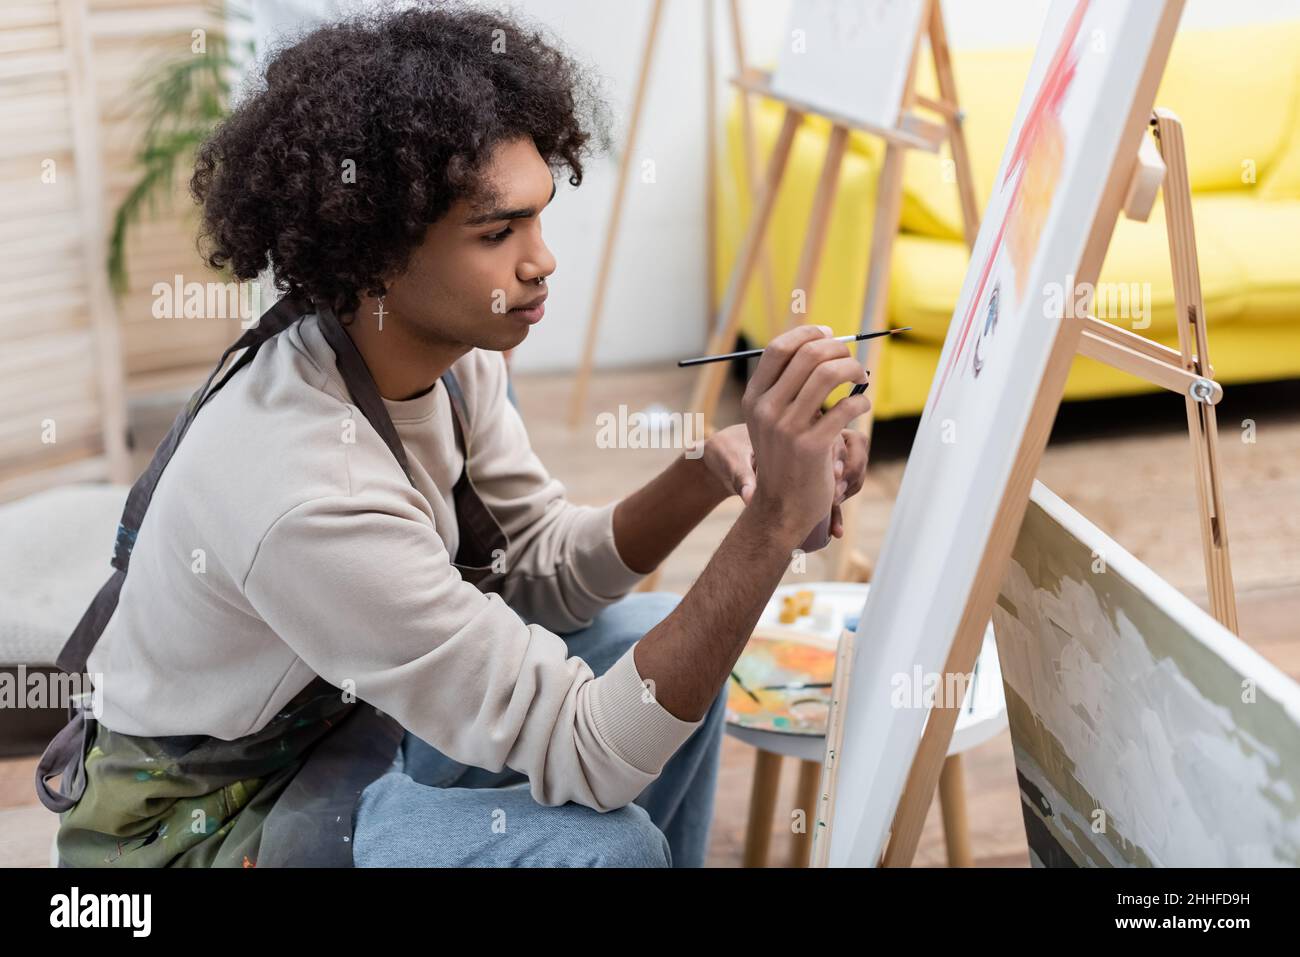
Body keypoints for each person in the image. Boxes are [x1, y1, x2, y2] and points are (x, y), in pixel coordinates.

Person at [43, 2, 869, 868]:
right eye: (498, 231)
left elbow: (540, 569)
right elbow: (592, 749)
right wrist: (772, 518)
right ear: (379, 251)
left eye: (539, 217)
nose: (541, 258)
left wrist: (713, 469)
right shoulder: (308, 484)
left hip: (344, 733)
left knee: (648, 632)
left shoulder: (443, 351)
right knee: (605, 843)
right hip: (203, 824)